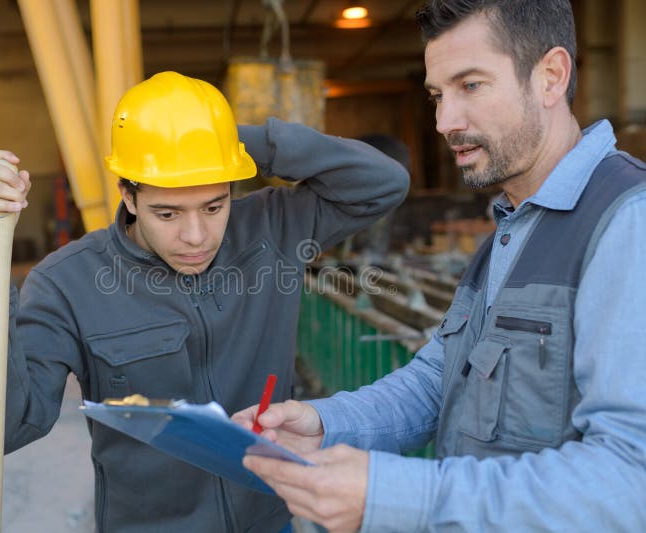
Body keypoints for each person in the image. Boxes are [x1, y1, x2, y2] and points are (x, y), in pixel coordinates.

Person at [235, 1, 646, 531]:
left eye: (470, 85)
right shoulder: (513, 227)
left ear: (550, 76)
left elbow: (628, 481)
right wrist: (322, 422)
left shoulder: (626, 225)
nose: (444, 122)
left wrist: (394, 494)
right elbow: (440, 379)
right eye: (437, 95)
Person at [0, 71, 409, 532]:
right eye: (167, 213)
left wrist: (228, 139)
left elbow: (382, 182)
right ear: (127, 193)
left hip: (270, 520)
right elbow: (3, 428)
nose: (196, 236)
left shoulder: (271, 229)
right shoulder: (68, 282)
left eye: (214, 206)